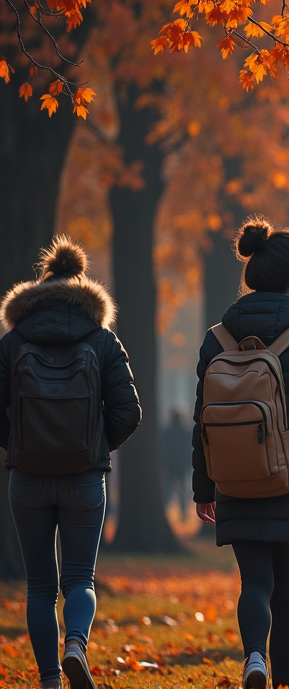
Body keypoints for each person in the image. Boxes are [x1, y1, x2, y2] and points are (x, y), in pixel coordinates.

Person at [192, 218, 289, 689]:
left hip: (234, 480)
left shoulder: (217, 338)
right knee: (287, 595)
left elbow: (203, 421)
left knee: (254, 582)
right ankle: (282, 684)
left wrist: (203, 487)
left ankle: (254, 657)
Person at [1, 237, 141, 689]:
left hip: (28, 478)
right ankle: (76, 645)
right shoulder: (102, 340)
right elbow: (129, 412)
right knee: (80, 578)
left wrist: (17, 445)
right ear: (83, 288)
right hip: (84, 477)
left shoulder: (13, 342)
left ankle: (48, 680)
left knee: (39, 586)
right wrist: (95, 448)